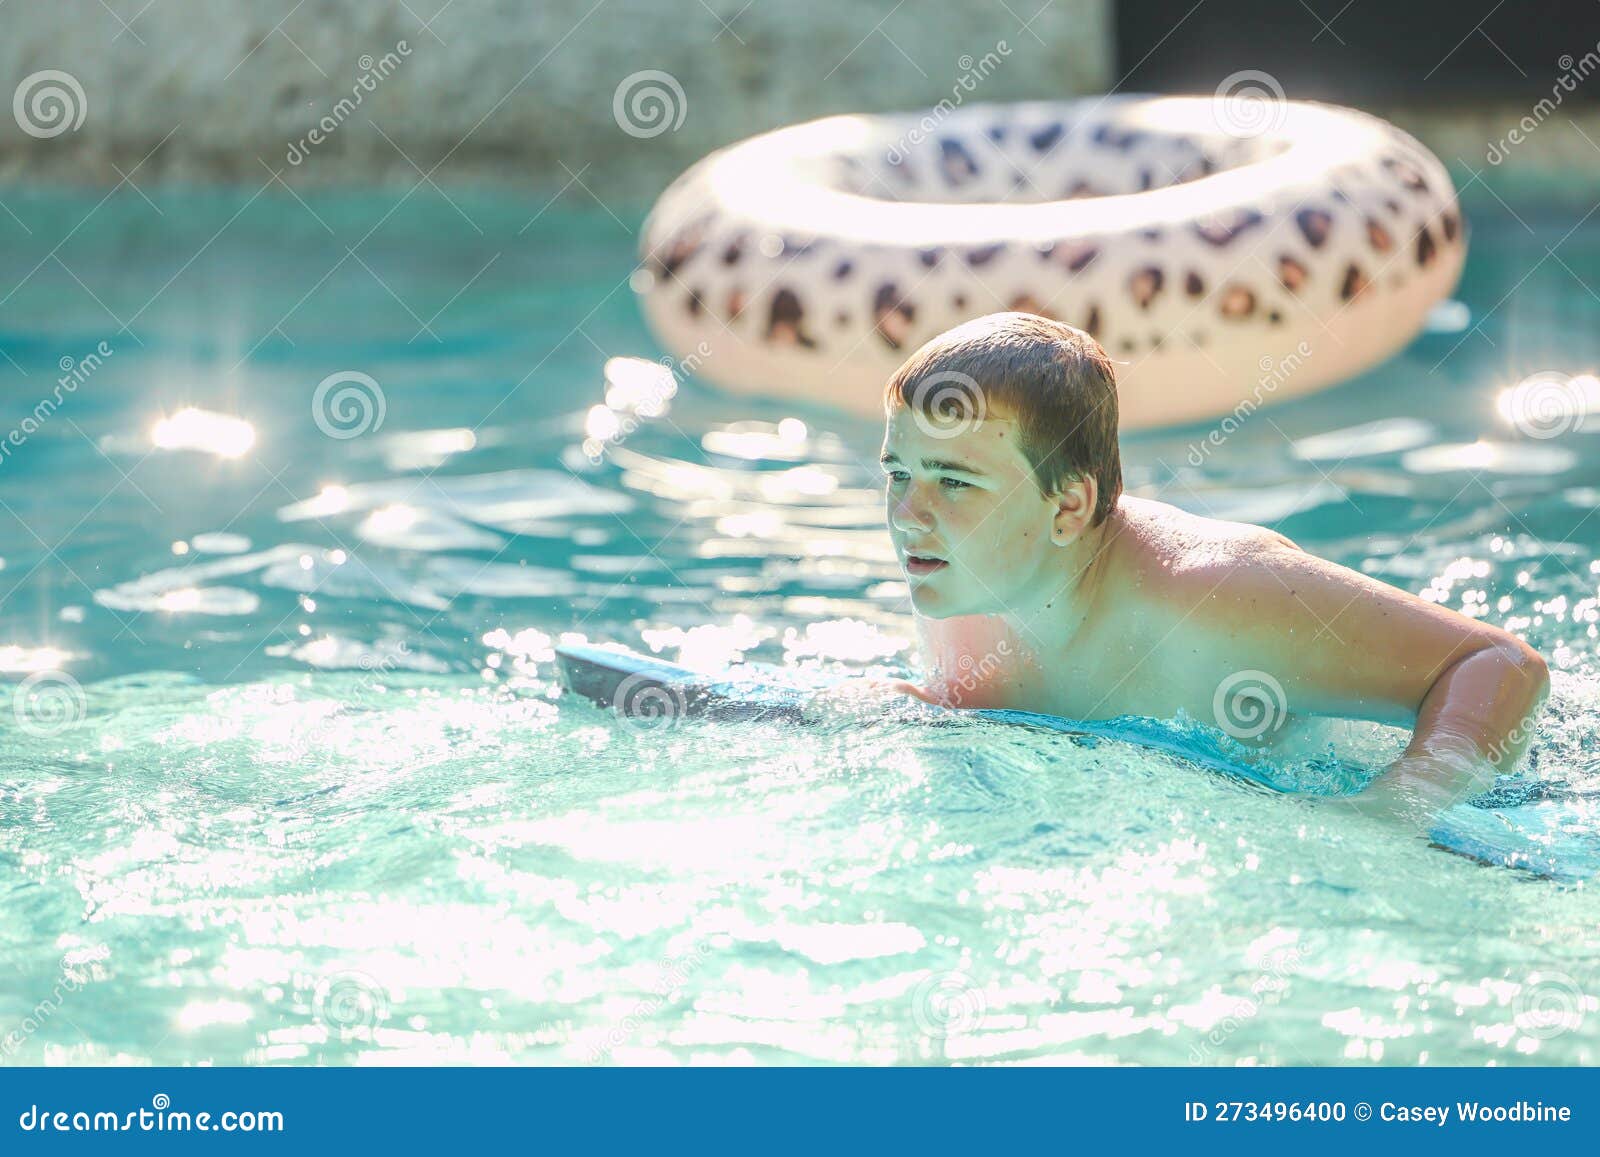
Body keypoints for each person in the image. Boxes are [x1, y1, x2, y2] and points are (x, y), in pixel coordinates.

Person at [875, 312, 1549, 832]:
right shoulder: (957, 586)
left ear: (1069, 504)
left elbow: (1497, 663)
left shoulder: (1217, 599)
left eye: (954, 481)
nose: (909, 513)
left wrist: (1397, 813)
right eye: (899, 473)